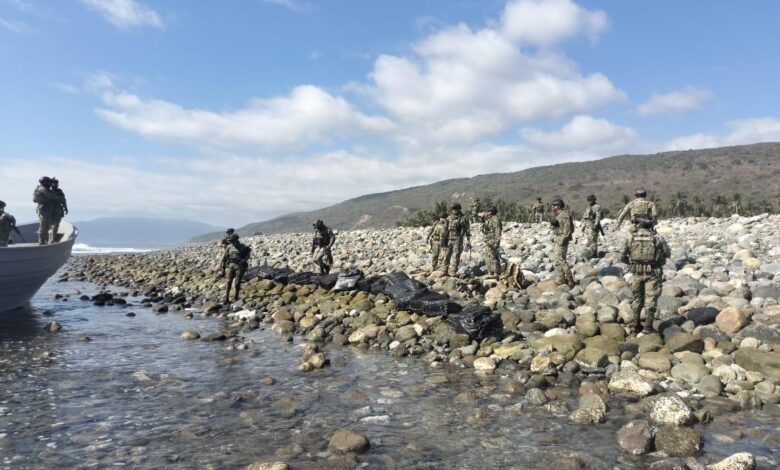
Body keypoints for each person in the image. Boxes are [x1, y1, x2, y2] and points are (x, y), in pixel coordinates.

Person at [621, 217, 671, 333]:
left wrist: (632, 263)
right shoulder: (657, 237)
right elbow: (667, 253)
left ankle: (635, 325)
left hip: (636, 272)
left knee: (636, 298)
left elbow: (622, 256)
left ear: (639, 225)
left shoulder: (631, 237)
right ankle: (648, 327)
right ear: (650, 226)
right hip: (653, 272)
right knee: (651, 298)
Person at [219, 234, 251, 303]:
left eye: (232, 241)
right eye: (230, 241)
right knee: (228, 282)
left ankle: (236, 297)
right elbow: (224, 256)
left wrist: (243, 261)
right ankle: (226, 298)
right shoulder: (229, 247)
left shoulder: (242, 247)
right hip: (231, 265)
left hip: (239, 266)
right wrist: (221, 265)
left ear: (236, 240)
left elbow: (248, 255)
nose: (231, 242)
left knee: (237, 282)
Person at [550, 199, 575, 288]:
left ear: (558, 206)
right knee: (558, 260)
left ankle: (570, 279)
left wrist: (562, 240)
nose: (552, 207)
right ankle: (562, 278)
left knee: (561, 259)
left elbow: (567, 230)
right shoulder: (559, 215)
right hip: (558, 239)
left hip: (562, 240)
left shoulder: (564, 215)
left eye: (554, 206)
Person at [32, 177, 63, 245]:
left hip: (47, 209)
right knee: (44, 226)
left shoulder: (45, 189)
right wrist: (60, 198)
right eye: (49, 182)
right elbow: (52, 196)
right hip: (44, 209)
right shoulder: (43, 189)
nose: (50, 184)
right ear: (45, 182)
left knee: (46, 225)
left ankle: (43, 240)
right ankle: (42, 241)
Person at [443, 203, 471, 276]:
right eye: (453, 209)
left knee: (456, 255)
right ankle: (444, 271)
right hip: (449, 238)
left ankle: (453, 271)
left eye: (456, 208)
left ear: (459, 209)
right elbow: (445, 229)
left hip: (458, 239)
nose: (454, 210)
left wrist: (468, 239)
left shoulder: (463, 218)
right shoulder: (449, 218)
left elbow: (467, 229)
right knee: (447, 255)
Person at [481, 206, 502, 276]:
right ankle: (491, 271)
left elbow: (498, 231)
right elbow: (483, 229)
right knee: (488, 256)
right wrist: (483, 219)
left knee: (493, 256)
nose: (486, 213)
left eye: (488, 211)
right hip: (488, 240)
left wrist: (496, 241)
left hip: (492, 240)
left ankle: (496, 272)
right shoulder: (488, 219)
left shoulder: (495, 219)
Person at [581, 194, 603, 258]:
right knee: (590, 240)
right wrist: (583, 226)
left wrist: (596, 224)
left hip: (593, 225)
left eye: (591, 200)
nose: (589, 201)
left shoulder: (597, 207)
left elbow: (598, 216)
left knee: (593, 240)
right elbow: (585, 217)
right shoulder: (588, 208)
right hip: (588, 226)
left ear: (593, 200)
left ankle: (594, 254)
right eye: (589, 200)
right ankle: (592, 252)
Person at [49, 178, 68, 243]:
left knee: (56, 225)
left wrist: (65, 208)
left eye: (57, 183)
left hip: (58, 210)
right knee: (50, 226)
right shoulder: (48, 191)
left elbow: (63, 200)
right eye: (55, 183)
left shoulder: (59, 191)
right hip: (50, 210)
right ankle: (49, 239)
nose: (56, 184)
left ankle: (52, 239)